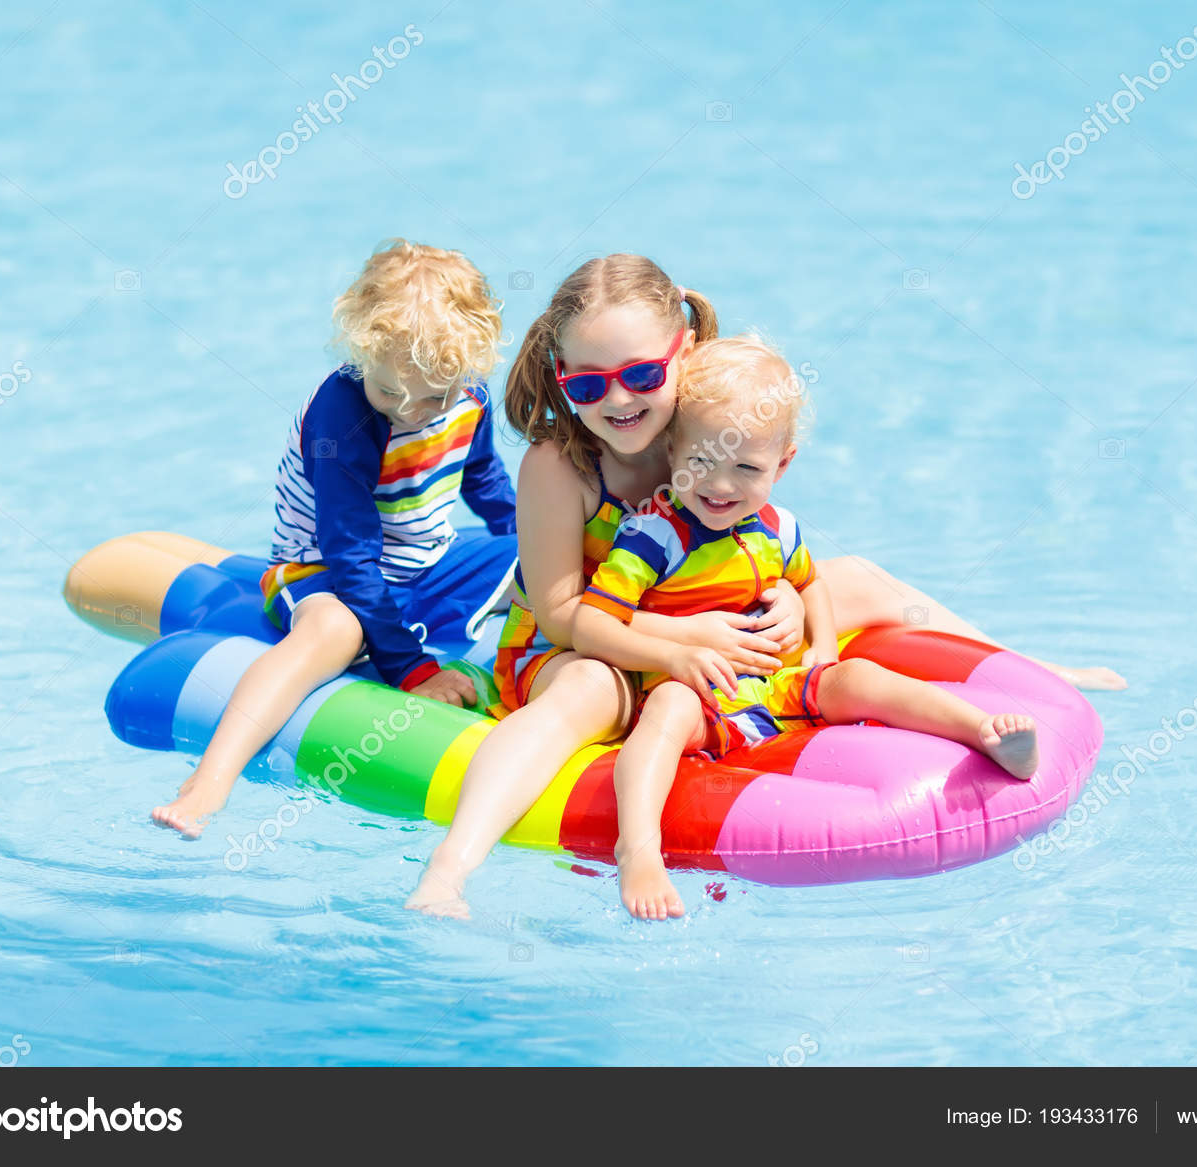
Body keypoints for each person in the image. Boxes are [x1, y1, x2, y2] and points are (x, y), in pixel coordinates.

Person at [404, 253, 1121, 919]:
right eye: (588, 384)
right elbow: (562, 616)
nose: (618, 400)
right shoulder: (561, 466)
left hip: (706, 628)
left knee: (858, 578)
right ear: (561, 375)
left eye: (642, 377)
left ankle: (1035, 667)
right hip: (584, 644)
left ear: (683, 355)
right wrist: (682, 642)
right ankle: (451, 867)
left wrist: (786, 603)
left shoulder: (708, 430)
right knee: (588, 687)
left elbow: (767, 537)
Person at [575, 335, 1038, 919]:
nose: (720, 486)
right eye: (701, 462)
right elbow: (594, 622)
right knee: (668, 708)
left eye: (746, 468)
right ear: (672, 452)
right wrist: (672, 660)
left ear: (783, 463)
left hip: (774, 687)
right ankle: (637, 848)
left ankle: (985, 732)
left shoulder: (778, 528)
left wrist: (821, 645)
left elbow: (810, 584)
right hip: (699, 692)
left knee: (857, 675)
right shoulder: (654, 535)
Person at [153, 240, 517, 838]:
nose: (410, 412)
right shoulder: (341, 416)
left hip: (426, 563)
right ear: (361, 351)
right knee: (336, 631)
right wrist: (413, 671)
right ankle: (208, 781)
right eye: (390, 393)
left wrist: (520, 544)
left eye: (431, 398)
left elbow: (484, 478)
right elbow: (351, 556)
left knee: (554, 557)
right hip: (325, 570)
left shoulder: (465, 393)